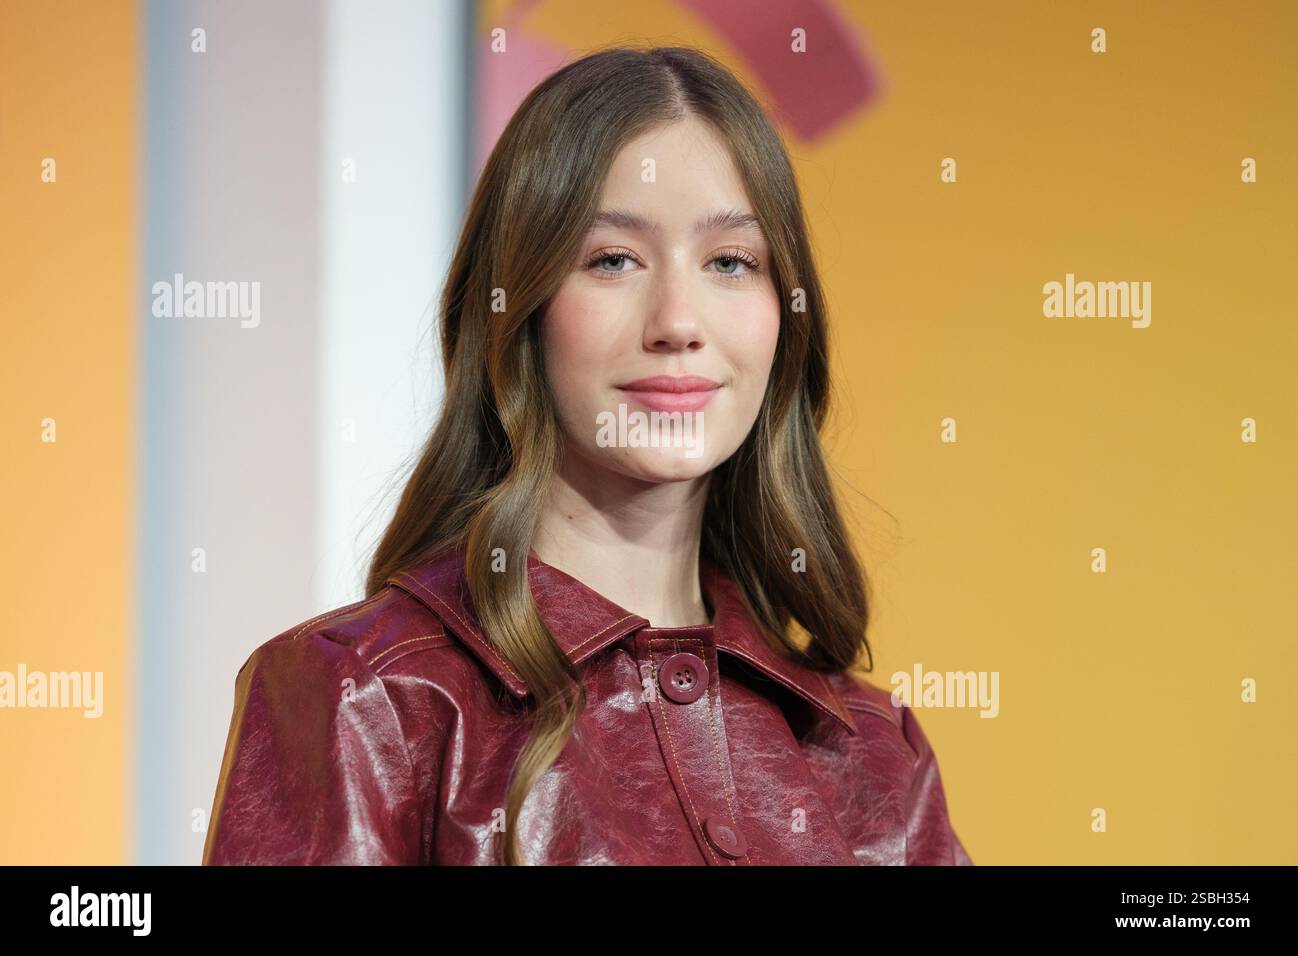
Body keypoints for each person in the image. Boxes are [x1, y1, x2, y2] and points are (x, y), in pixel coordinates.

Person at [203, 45, 972, 866]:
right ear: (517, 309)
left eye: (729, 263)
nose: (678, 320)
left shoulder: (875, 753)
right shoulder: (366, 697)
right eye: (612, 260)